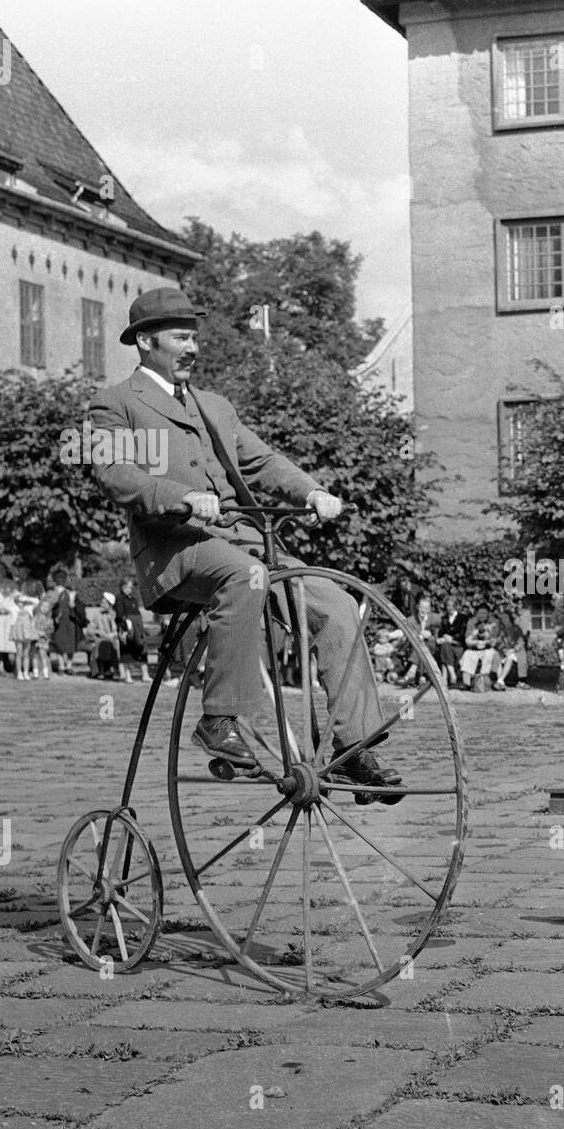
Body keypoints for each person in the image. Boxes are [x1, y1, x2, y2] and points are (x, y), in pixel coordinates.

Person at [89, 287, 399, 798]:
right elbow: (115, 473)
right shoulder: (117, 404)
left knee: (336, 602)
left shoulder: (215, 407)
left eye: (195, 338)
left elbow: (263, 461)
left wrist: (312, 490)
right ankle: (219, 719)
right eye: (180, 337)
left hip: (245, 539)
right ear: (145, 341)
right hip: (177, 547)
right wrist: (182, 496)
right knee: (244, 575)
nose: (193, 348)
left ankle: (352, 745)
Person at [115, 577, 150, 685]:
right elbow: (119, 615)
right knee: (126, 652)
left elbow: (138, 613)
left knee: (142, 650)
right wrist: (126, 626)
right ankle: (127, 676)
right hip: (125, 628)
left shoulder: (134, 599)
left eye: (131, 587)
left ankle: (145, 675)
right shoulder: (119, 598)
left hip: (137, 629)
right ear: (122, 587)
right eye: (128, 587)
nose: (129, 589)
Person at [491, 596, 529, 690]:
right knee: (497, 656)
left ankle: (500, 681)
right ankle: (501, 682)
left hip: (516, 652)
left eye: (506, 618)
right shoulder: (501, 630)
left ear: (509, 619)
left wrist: (512, 650)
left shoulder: (516, 629)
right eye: (502, 619)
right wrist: (503, 649)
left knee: (510, 657)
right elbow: (499, 643)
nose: (504, 620)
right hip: (505, 652)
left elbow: (520, 642)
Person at [459, 605, 499, 689]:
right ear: (476, 613)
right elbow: (467, 641)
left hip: (487, 648)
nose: (482, 615)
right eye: (480, 613)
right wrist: (476, 640)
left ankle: (486, 683)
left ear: (488, 614)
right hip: (474, 648)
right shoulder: (471, 622)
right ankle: (466, 683)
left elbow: (493, 641)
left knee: (491, 655)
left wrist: (487, 639)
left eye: (484, 613)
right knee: (467, 655)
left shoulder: (493, 623)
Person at [10, 578, 42, 681]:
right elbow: (11, 602)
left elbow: (37, 601)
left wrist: (24, 598)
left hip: (28, 630)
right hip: (18, 630)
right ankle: (19, 672)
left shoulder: (29, 606)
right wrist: (17, 598)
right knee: (19, 652)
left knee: (26, 653)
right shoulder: (15, 606)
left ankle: (26, 672)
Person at [436, 595, 469, 689]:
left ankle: (446, 678)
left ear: (456, 606)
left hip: (458, 645)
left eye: (451, 605)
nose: (449, 607)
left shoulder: (463, 617)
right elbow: (441, 632)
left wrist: (452, 638)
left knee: (444, 648)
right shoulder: (444, 618)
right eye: (448, 605)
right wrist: (444, 636)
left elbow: (463, 633)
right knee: (444, 646)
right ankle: (452, 674)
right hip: (447, 645)